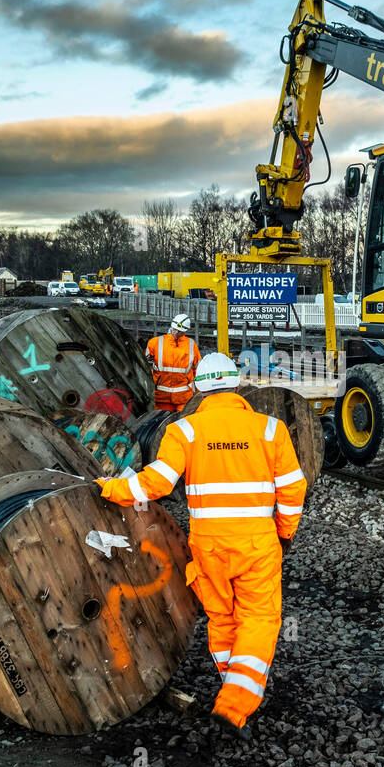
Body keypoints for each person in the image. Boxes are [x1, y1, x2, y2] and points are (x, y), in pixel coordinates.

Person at [96, 352, 306, 740]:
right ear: (237, 385)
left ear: (197, 389)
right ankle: (233, 706)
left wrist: (109, 488)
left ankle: (234, 688)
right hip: (257, 543)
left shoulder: (185, 432)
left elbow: (154, 485)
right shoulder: (271, 430)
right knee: (259, 620)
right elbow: (293, 488)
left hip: (209, 547)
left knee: (223, 619)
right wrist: (284, 533)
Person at [146, 313, 201, 411]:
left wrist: (198, 393)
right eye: (174, 329)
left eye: (179, 331)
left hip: (184, 398)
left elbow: (198, 371)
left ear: (185, 331)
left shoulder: (191, 345)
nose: (176, 332)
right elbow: (142, 365)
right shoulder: (155, 343)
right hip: (161, 398)